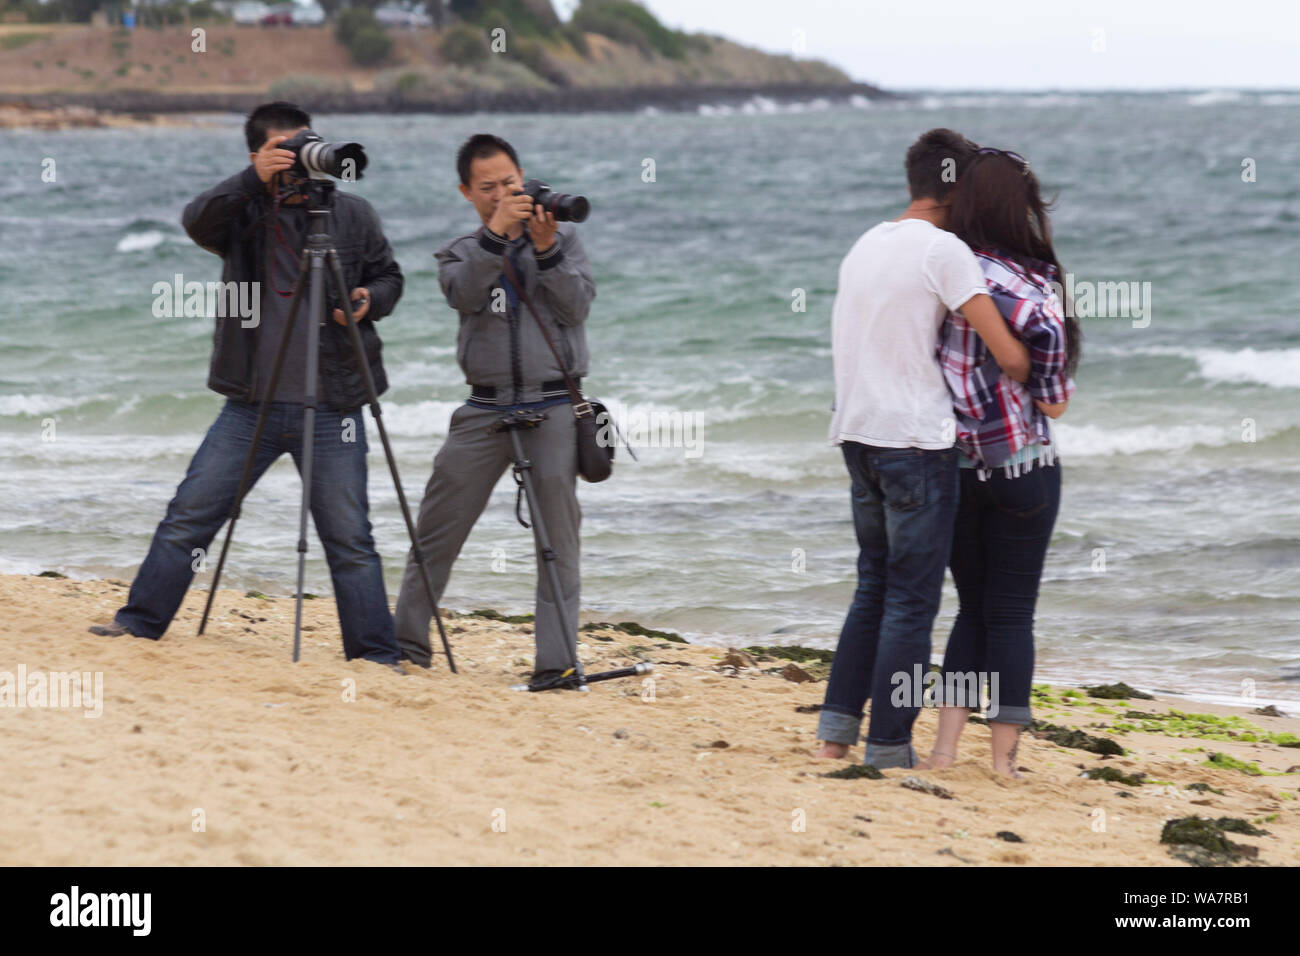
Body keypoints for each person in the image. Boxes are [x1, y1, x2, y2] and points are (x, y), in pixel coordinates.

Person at [89, 101, 406, 670]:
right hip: (251, 402)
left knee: (350, 536)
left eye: (304, 144)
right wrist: (250, 181)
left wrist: (369, 301)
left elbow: (389, 276)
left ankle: (375, 657)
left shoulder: (351, 215)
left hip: (333, 404)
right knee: (190, 515)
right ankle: (139, 624)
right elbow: (195, 220)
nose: (296, 160)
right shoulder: (241, 216)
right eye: (282, 149)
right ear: (257, 153)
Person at [816, 129, 1031, 769]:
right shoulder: (944, 252)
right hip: (914, 442)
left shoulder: (867, 243)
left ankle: (834, 735)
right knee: (912, 601)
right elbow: (1005, 350)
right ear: (956, 187)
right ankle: (887, 747)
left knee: (873, 589)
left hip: (856, 434)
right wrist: (1036, 365)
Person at [394, 134, 596, 685]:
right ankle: (407, 648)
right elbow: (463, 294)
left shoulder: (566, 238)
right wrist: (495, 237)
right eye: (489, 188)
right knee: (436, 529)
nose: (504, 193)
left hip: (554, 401)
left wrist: (547, 249)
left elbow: (576, 307)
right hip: (483, 409)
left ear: (523, 176)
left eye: (511, 182)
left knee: (558, 542)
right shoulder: (461, 250)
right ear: (467, 192)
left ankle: (555, 665)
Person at [921, 147, 1079, 777]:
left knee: (970, 610)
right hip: (1025, 471)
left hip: (952, 469)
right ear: (1022, 209)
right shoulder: (1035, 286)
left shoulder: (938, 275)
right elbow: (1055, 402)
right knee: (1012, 614)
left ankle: (942, 751)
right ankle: (1005, 764)